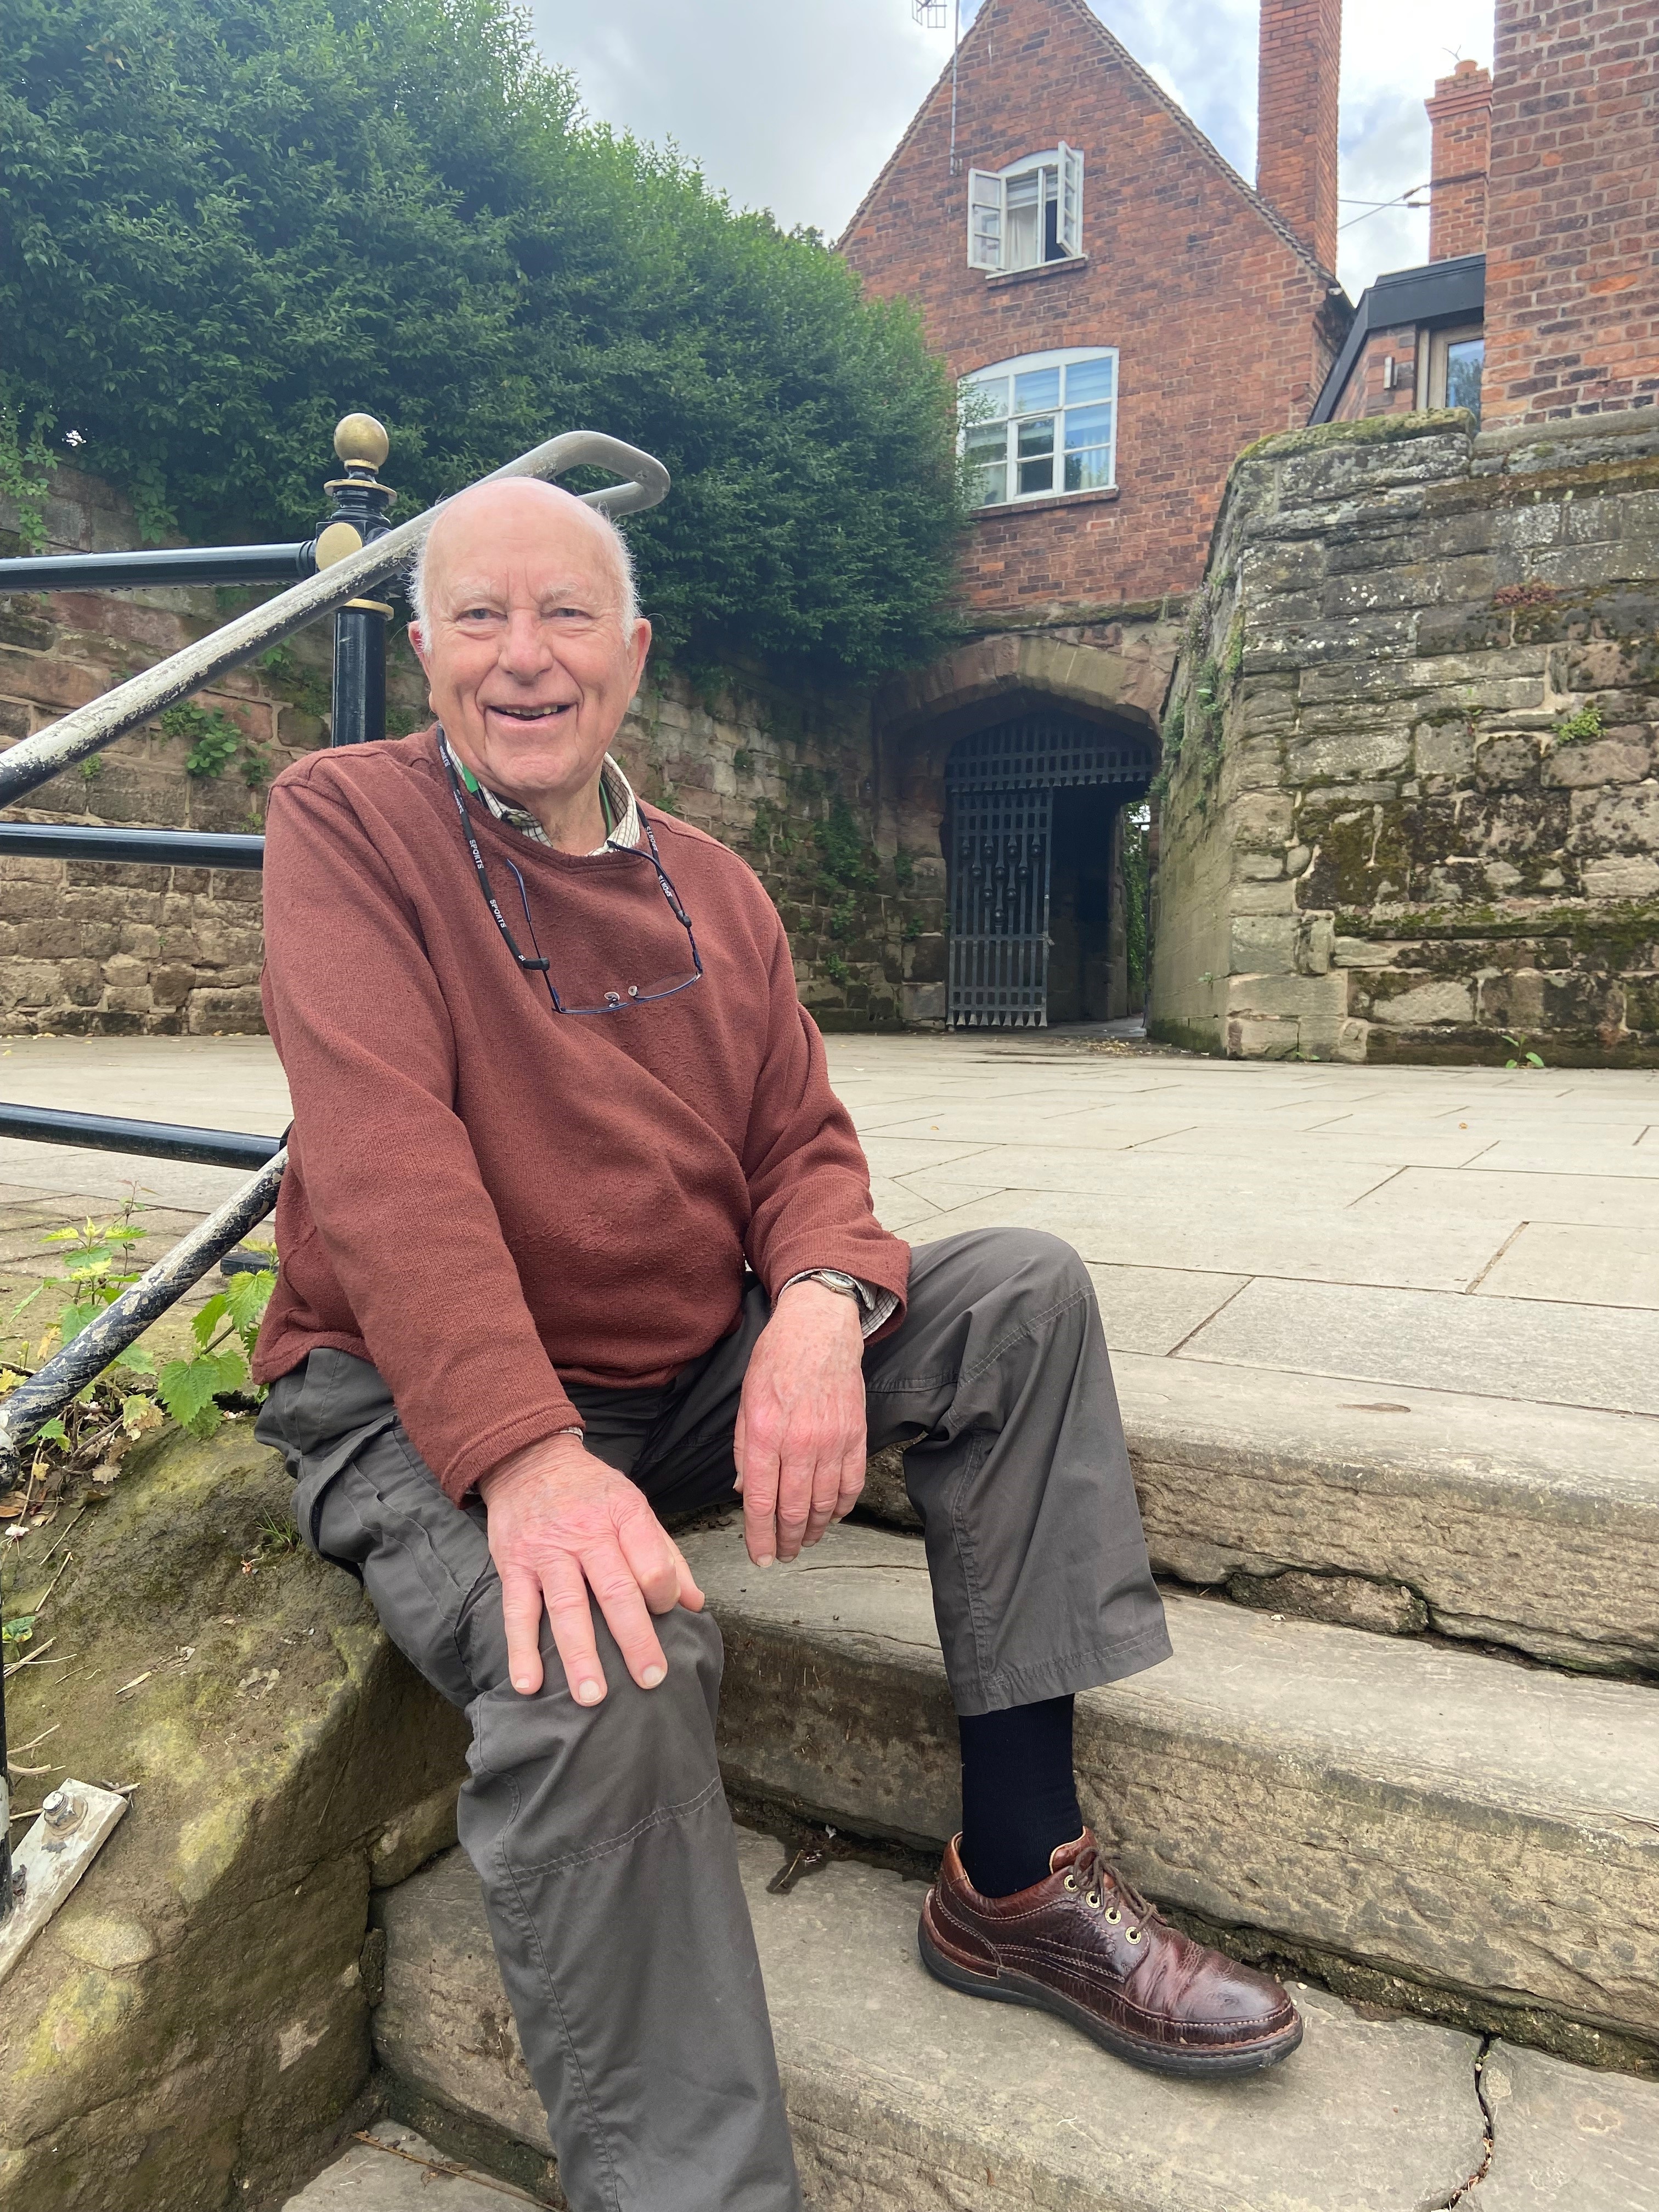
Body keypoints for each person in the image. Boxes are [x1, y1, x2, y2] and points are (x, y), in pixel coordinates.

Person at [252, 475, 1300, 2212]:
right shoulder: (346, 819)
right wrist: (523, 1460)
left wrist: (823, 1304)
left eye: (568, 616)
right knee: (604, 1663)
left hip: (681, 1374)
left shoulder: (716, 889)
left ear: (635, 655)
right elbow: (380, 1161)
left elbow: (804, 1149)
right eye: (483, 619)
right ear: (421, 647)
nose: (526, 659)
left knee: (1019, 1290)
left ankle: (1020, 1883)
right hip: (414, 1394)